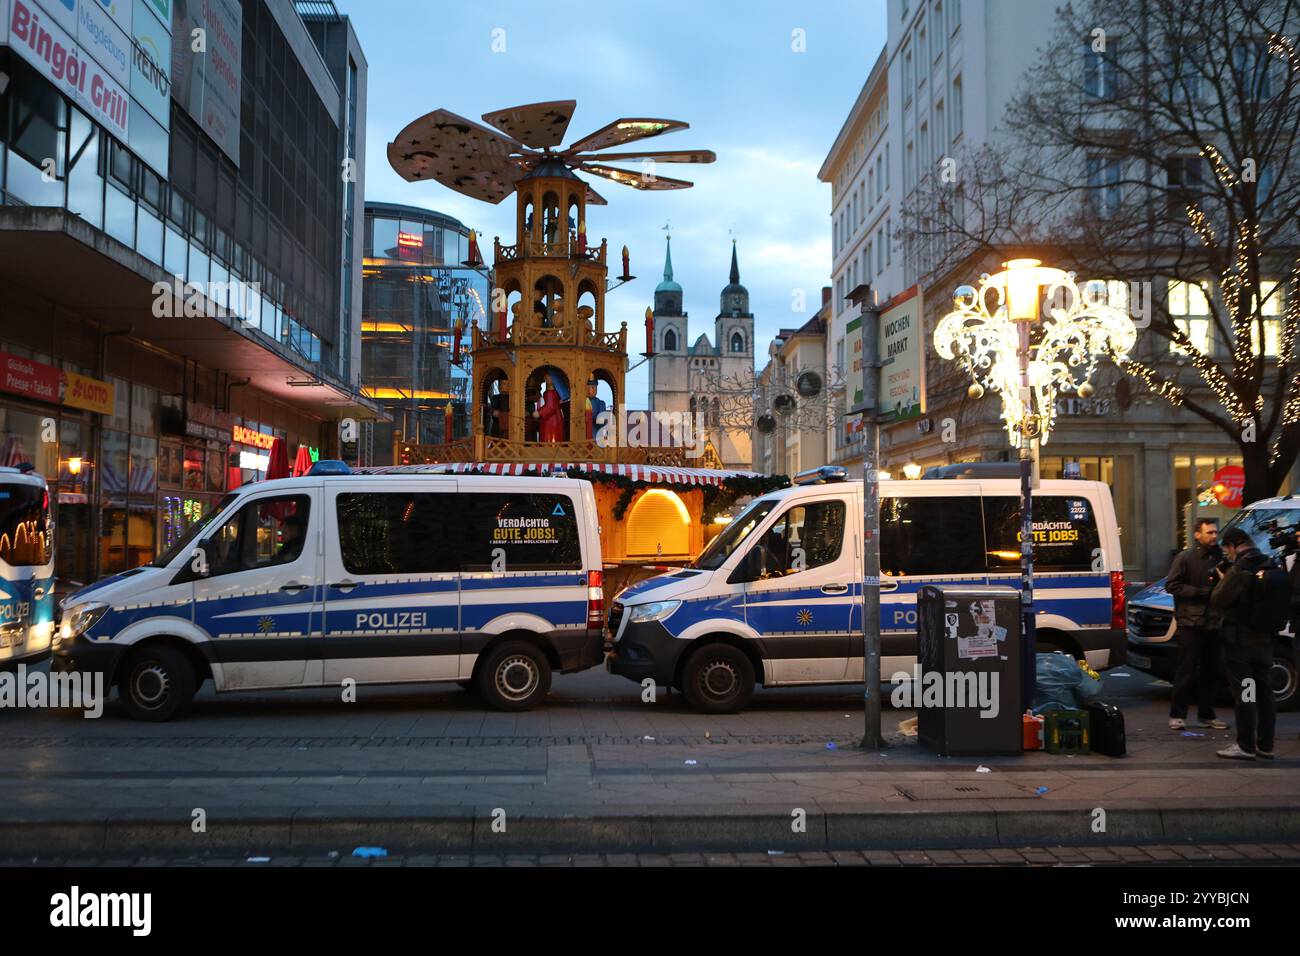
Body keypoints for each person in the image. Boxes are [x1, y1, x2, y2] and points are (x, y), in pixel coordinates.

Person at [1209, 527, 1277, 760]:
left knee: (1247, 693)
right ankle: (1266, 745)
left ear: (1232, 545)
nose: (1227, 554)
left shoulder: (1241, 568)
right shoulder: (1269, 563)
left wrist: (1223, 580)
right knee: (1266, 694)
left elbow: (1219, 599)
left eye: (1226, 549)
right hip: (1265, 642)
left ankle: (1246, 745)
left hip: (1241, 645)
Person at [1164, 517, 1227, 730]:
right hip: (1190, 622)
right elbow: (1172, 585)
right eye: (1209, 532)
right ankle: (1178, 715)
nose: (1214, 536)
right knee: (1186, 670)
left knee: (1211, 671)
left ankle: (1206, 714)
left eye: (1215, 532)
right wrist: (1199, 592)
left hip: (1213, 622)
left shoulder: (1220, 557)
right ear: (1197, 535)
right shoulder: (1185, 558)